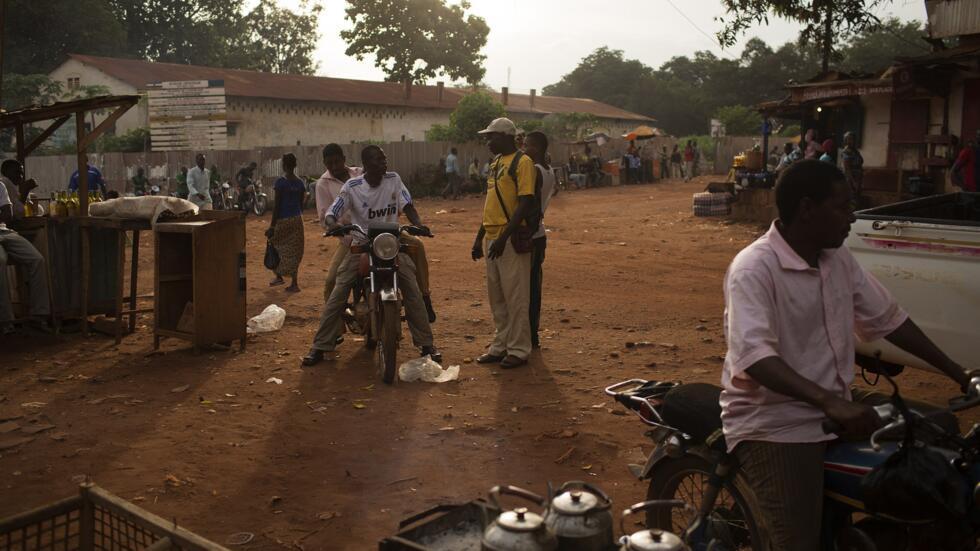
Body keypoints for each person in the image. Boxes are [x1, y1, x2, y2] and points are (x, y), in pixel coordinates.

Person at [720, 159, 972, 551]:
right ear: (807, 209)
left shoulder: (836, 258)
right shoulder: (753, 269)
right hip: (776, 421)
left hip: (836, 402)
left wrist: (960, 373)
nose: (852, 217)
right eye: (842, 207)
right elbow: (754, 357)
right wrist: (829, 403)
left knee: (940, 430)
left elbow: (889, 320)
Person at [302, 145, 440, 366]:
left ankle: (426, 344)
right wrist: (334, 225)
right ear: (366, 165)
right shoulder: (352, 186)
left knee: (412, 288)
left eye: (384, 159)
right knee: (338, 290)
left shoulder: (394, 179)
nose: (384, 163)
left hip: (391, 242)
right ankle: (320, 345)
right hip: (362, 244)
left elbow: (408, 205)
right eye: (378, 160)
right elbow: (331, 212)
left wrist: (418, 224)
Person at [315, 144, 436, 320]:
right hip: (352, 236)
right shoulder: (323, 184)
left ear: (344, 158)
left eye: (337, 161)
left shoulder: (361, 173)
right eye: (330, 163)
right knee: (333, 280)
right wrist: (340, 231)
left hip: (387, 233)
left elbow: (405, 204)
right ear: (325, 163)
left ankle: (425, 297)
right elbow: (327, 216)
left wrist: (418, 224)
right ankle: (336, 328)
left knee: (417, 245)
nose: (334, 166)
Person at [471, 117, 535, 369]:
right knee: (497, 296)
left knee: (516, 296)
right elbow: (491, 203)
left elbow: (525, 202)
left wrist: (503, 237)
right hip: (492, 237)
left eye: (492, 136)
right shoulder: (496, 163)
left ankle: (519, 350)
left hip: (509, 239)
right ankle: (500, 345)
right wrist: (480, 238)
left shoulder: (523, 162)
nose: (488, 141)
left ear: (507, 136)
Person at [0, 160, 50, 335]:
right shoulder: (5, 183)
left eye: (21, 172)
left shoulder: (1, 186)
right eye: (17, 172)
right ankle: (6, 320)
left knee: (37, 259)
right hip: (4, 228)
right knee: (0, 261)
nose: (20, 176)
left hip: (4, 231)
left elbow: (10, 213)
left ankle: (39, 313)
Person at [524, 132, 557, 349]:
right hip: (540, 234)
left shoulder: (534, 170)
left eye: (526, 145)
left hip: (530, 235)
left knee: (525, 289)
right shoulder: (550, 170)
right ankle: (532, 333)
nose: (524, 149)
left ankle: (528, 335)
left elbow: (530, 206)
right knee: (534, 287)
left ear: (535, 147)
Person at [266, 153, 306, 292]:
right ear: (295, 165)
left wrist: (272, 226)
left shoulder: (280, 182)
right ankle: (294, 283)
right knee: (295, 251)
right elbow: (302, 205)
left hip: (282, 219)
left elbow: (276, 206)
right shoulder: (300, 183)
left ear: (283, 165)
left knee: (274, 244)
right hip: (297, 220)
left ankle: (278, 276)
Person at [840, 132, 864, 198]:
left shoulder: (855, 151)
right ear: (846, 140)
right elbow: (847, 168)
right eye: (849, 139)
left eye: (853, 139)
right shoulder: (846, 152)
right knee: (852, 198)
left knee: (858, 197)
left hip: (858, 178)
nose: (852, 141)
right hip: (851, 179)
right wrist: (853, 182)